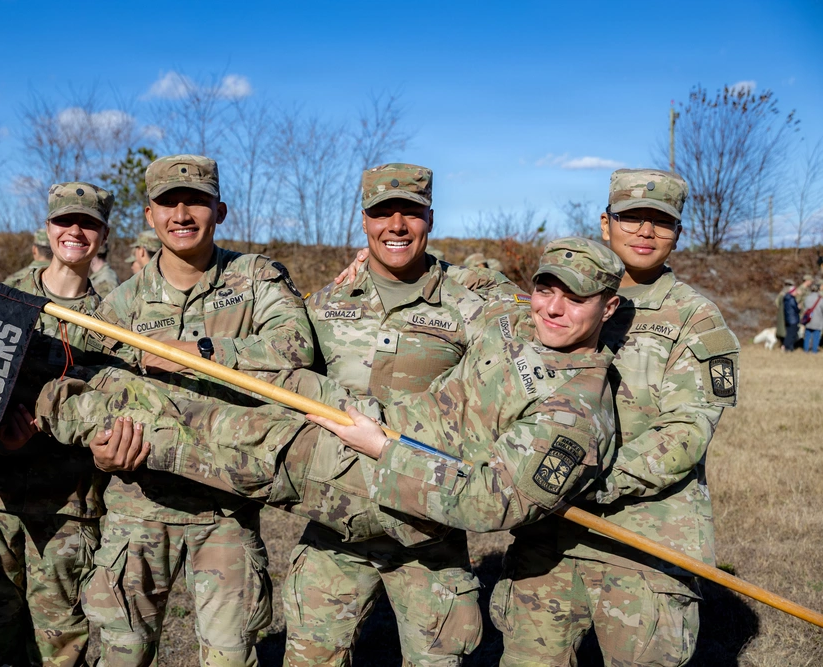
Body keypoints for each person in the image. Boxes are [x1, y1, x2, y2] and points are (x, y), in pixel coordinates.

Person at [30, 237, 622, 560]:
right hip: (368, 416)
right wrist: (378, 267)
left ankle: (43, 403)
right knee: (223, 382)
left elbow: (493, 504)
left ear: (609, 307)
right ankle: (62, 359)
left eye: (575, 299)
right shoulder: (522, 322)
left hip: (377, 473)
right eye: (546, 289)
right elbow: (480, 284)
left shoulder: (577, 413)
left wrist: (382, 449)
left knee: (212, 434)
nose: (553, 307)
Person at [488, 169, 740, 667]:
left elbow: (686, 431)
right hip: (550, 537)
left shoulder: (695, 319)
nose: (645, 231)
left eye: (660, 221)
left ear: (678, 232)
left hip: (644, 543)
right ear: (606, 224)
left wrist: (587, 480)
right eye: (631, 218)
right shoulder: (560, 300)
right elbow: (478, 302)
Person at [72, 154, 314, 667]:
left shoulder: (255, 279)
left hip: (225, 510)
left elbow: (296, 348)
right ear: (150, 215)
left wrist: (201, 352)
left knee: (230, 657)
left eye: (196, 202)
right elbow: (89, 397)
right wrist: (100, 453)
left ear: (219, 210)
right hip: (138, 510)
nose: (181, 215)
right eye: (168, 203)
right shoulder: (120, 306)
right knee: (123, 656)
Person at [280, 163, 485, 666]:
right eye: (381, 213)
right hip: (336, 526)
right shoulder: (324, 304)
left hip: (427, 529)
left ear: (430, 218)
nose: (396, 225)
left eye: (410, 212)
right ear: (364, 221)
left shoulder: (469, 306)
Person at [0, 182, 112, 666]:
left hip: (66, 508)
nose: (75, 232)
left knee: (60, 644)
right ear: (47, 228)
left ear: (104, 235)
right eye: (65, 221)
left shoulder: (114, 316)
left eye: (88, 223)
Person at [803, 282, 822, 353]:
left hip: (808, 319)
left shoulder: (807, 298)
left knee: (807, 335)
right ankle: (814, 350)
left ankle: (806, 349)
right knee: (816, 336)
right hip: (818, 319)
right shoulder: (820, 299)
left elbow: (805, 307)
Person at [776, 278, 795, 346]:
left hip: (785, 314)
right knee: (784, 330)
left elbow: (777, 303)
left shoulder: (782, 294)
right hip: (785, 314)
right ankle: (784, 344)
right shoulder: (784, 294)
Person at [784, 281, 801, 351]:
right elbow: (796, 309)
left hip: (788, 319)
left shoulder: (786, 298)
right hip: (793, 319)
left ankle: (786, 346)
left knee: (789, 333)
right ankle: (789, 347)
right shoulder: (791, 299)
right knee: (792, 334)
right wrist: (799, 307)